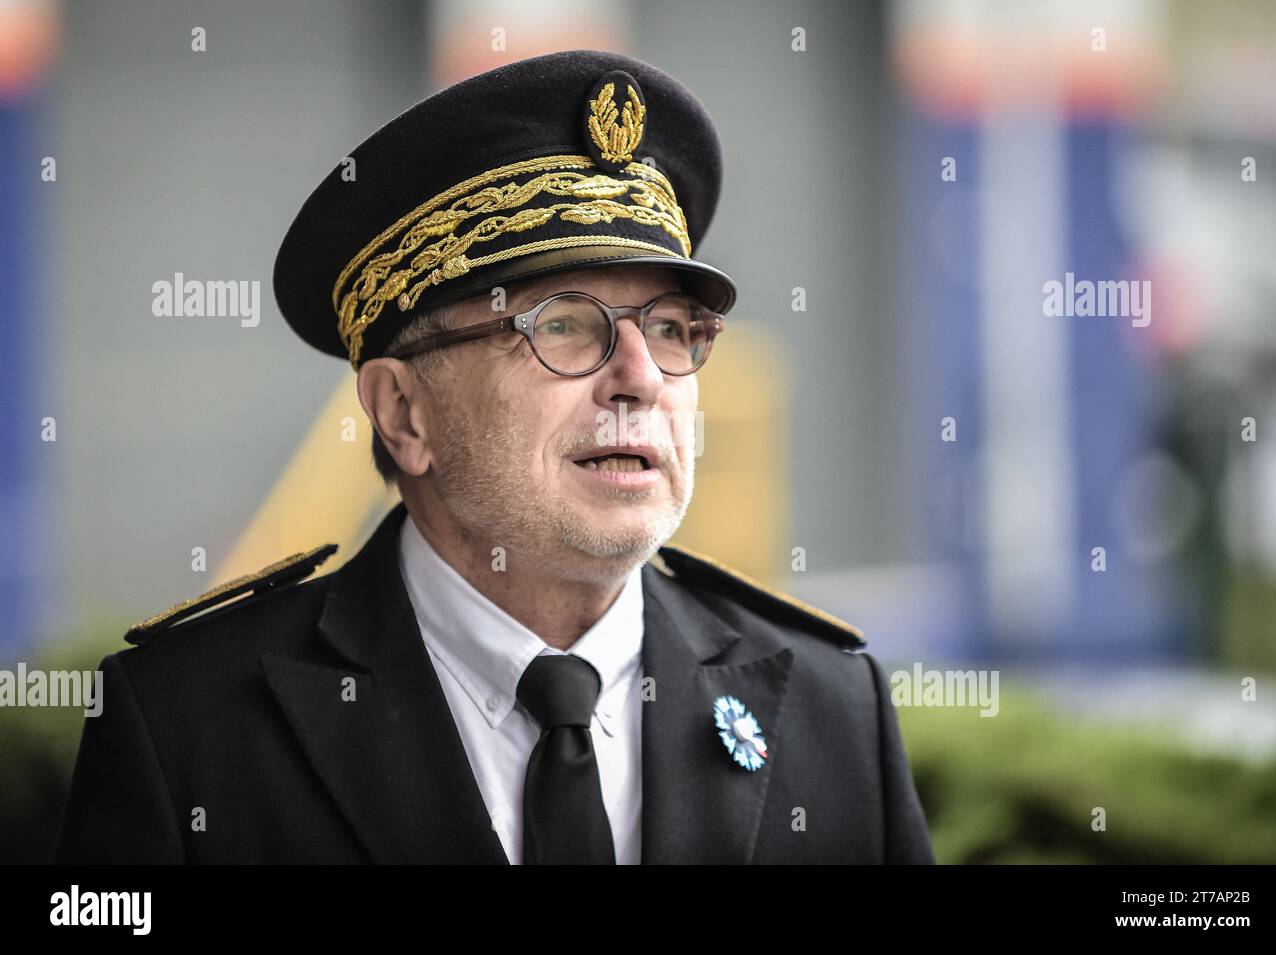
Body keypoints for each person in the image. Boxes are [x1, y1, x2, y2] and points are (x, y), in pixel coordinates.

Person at [54, 49, 934, 864]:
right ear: (404, 412)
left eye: (670, 328)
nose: (638, 378)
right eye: (561, 325)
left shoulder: (833, 706)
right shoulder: (189, 726)